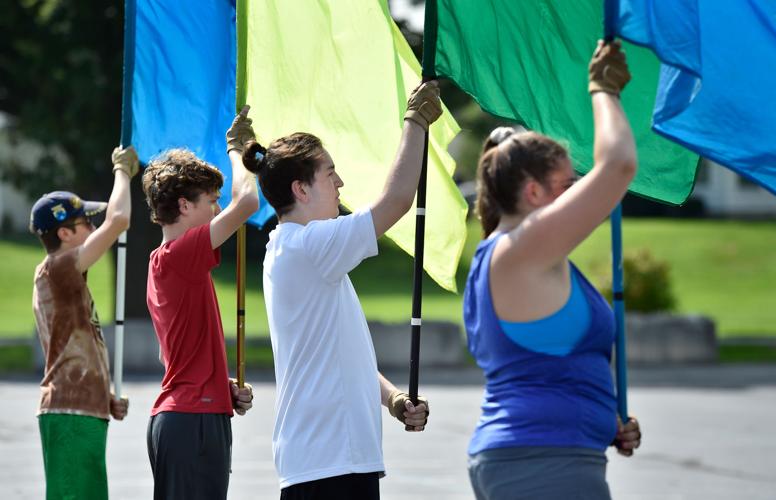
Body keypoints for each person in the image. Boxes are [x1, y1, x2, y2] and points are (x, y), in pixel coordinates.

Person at [463, 40, 643, 500]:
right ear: (533, 192)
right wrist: (604, 90)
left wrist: (607, 419)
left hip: (549, 458)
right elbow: (619, 164)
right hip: (538, 464)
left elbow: (555, 365)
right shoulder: (518, 250)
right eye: (567, 183)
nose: (578, 192)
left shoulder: (527, 255)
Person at [241, 81, 439, 499]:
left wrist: (394, 399)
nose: (341, 183)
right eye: (330, 173)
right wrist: (415, 121)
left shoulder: (305, 252)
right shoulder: (309, 246)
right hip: (328, 468)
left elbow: (345, 360)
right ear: (301, 188)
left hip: (329, 465)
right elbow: (398, 200)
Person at [142, 106, 258, 500]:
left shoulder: (164, 262)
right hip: (190, 422)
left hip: (187, 415)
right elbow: (247, 204)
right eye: (211, 199)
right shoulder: (182, 253)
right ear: (184, 206)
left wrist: (218, 385)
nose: (217, 208)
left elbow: (169, 356)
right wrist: (238, 150)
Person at [30, 146, 138, 499]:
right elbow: (118, 220)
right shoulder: (58, 268)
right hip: (69, 412)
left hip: (81, 410)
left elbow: (73, 350)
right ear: (64, 234)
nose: (93, 227)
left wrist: (102, 397)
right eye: (85, 222)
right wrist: (122, 171)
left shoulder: (68, 278)